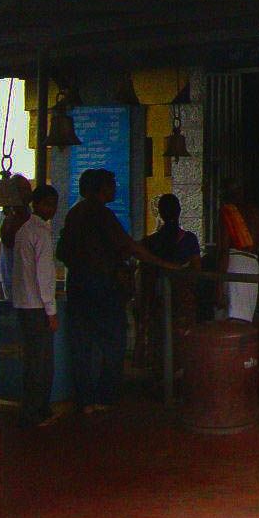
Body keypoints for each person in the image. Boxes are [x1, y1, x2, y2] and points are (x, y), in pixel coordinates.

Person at [55, 169, 184, 413]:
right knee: (113, 341)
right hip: (103, 287)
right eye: (111, 184)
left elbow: (62, 252)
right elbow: (129, 246)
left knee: (82, 344)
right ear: (100, 188)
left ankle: (85, 400)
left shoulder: (74, 214)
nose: (115, 187)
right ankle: (106, 396)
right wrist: (164, 264)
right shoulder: (101, 214)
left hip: (78, 285)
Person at [12, 183, 59, 428]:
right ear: (38, 204)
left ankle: (30, 408)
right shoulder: (41, 233)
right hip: (38, 306)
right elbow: (45, 275)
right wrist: (51, 310)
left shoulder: (23, 230)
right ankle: (38, 410)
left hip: (22, 303)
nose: (52, 210)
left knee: (31, 360)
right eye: (49, 204)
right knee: (41, 362)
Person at [136, 194, 200, 368]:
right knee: (181, 340)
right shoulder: (189, 240)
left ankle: (160, 379)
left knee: (160, 338)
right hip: (182, 301)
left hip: (157, 299)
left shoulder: (150, 242)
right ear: (179, 211)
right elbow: (196, 270)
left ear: (160, 214)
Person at [218, 178, 259, 323]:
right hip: (253, 265)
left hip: (233, 263)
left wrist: (219, 287)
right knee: (245, 317)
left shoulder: (227, 212)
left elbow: (223, 250)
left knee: (231, 318)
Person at [0, 176, 34, 301]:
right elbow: (8, 240)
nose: (28, 194)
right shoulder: (12, 219)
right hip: (14, 281)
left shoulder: (27, 216)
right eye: (23, 190)